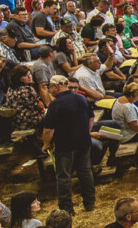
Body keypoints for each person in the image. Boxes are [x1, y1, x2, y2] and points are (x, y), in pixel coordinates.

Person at [40, 74, 97, 214]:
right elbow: (91, 117)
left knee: (64, 176)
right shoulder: (81, 98)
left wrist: (46, 144)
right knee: (85, 171)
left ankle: (67, 209)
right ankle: (90, 203)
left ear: (57, 86)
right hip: (83, 141)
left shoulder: (55, 104)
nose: (49, 90)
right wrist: (86, 132)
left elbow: (48, 130)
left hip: (64, 145)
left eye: (51, 87)